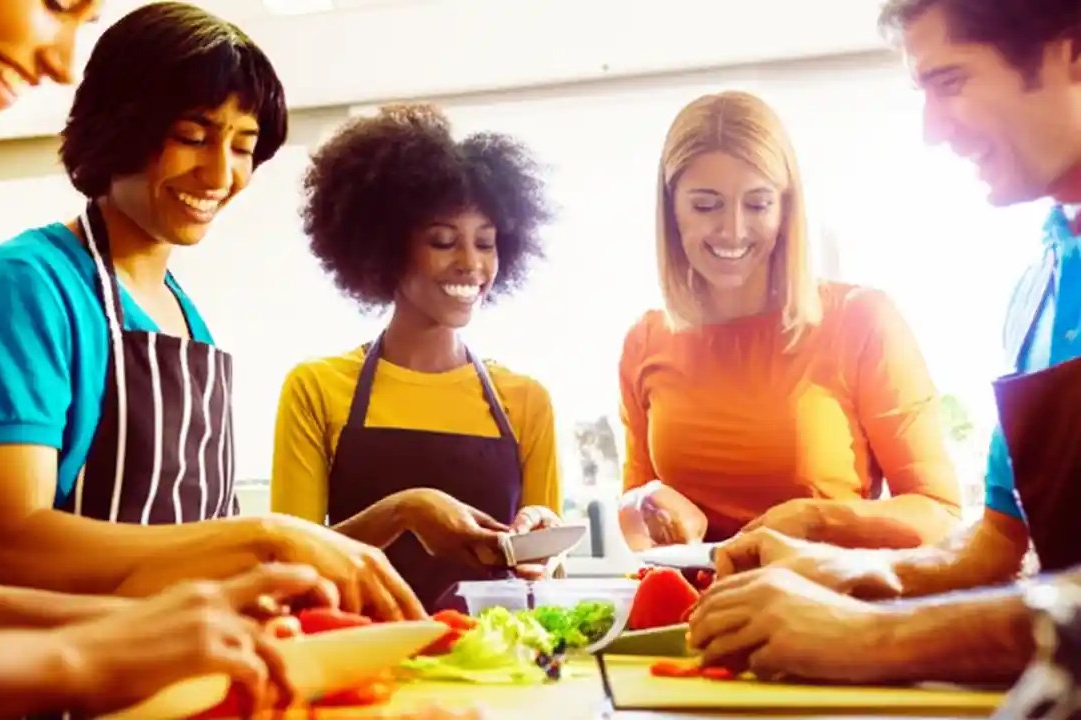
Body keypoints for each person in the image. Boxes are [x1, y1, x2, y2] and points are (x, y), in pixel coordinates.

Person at [0, 1, 339, 717]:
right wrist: (80, 657)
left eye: (243, 146)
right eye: (57, 3)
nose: (60, 62)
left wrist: (157, 633)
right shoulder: (20, 282)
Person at [0, 2, 423, 621]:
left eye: (243, 146)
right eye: (194, 137)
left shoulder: (186, 319)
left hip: (171, 679)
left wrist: (395, 516)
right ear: (122, 127)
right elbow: (6, 543)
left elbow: (195, 545)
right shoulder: (23, 288)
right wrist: (264, 537)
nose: (220, 173)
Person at [687, 0, 1081, 699]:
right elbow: (994, 544)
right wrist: (836, 572)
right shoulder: (1040, 284)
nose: (931, 130)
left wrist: (866, 634)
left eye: (951, 81)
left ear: (1070, 49)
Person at [616, 91, 962, 552]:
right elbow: (634, 509)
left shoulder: (861, 319)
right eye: (706, 205)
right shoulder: (646, 340)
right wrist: (647, 505)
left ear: (785, 209)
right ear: (672, 209)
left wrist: (817, 521)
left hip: (829, 614)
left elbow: (938, 513)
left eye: (757, 205)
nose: (733, 230)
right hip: (694, 617)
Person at [270, 103, 564, 612]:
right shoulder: (317, 388)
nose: (471, 264)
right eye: (443, 241)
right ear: (385, 248)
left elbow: (547, 580)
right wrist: (402, 512)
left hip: (491, 665)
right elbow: (287, 565)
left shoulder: (526, 400)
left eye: (486, 243)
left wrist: (544, 545)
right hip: (360, 656)